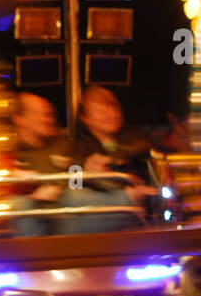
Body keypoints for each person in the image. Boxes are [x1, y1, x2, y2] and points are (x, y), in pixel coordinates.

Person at [63, 85, 157, 233]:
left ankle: (128, 200)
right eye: (101, 111)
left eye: (114, 108)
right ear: (85, 118)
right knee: (73, 197)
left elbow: (144, 149)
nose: (111, 114)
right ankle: (127, 199)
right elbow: (74, 183)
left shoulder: (136, 137)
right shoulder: (78, 148)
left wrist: (111, 160)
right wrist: (89, 173)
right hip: (104, 207)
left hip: (140, 205)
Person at [7, 92, 75, 237]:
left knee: (78, 197)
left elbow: (80, 178)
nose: (48, 119)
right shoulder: (9, 151)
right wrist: (34, 196)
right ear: (19, 119)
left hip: (65, 210)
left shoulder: (63, 145)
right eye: (40, 114)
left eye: (49, 114)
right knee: (21, 205)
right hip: (31, 213)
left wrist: (60, 188)